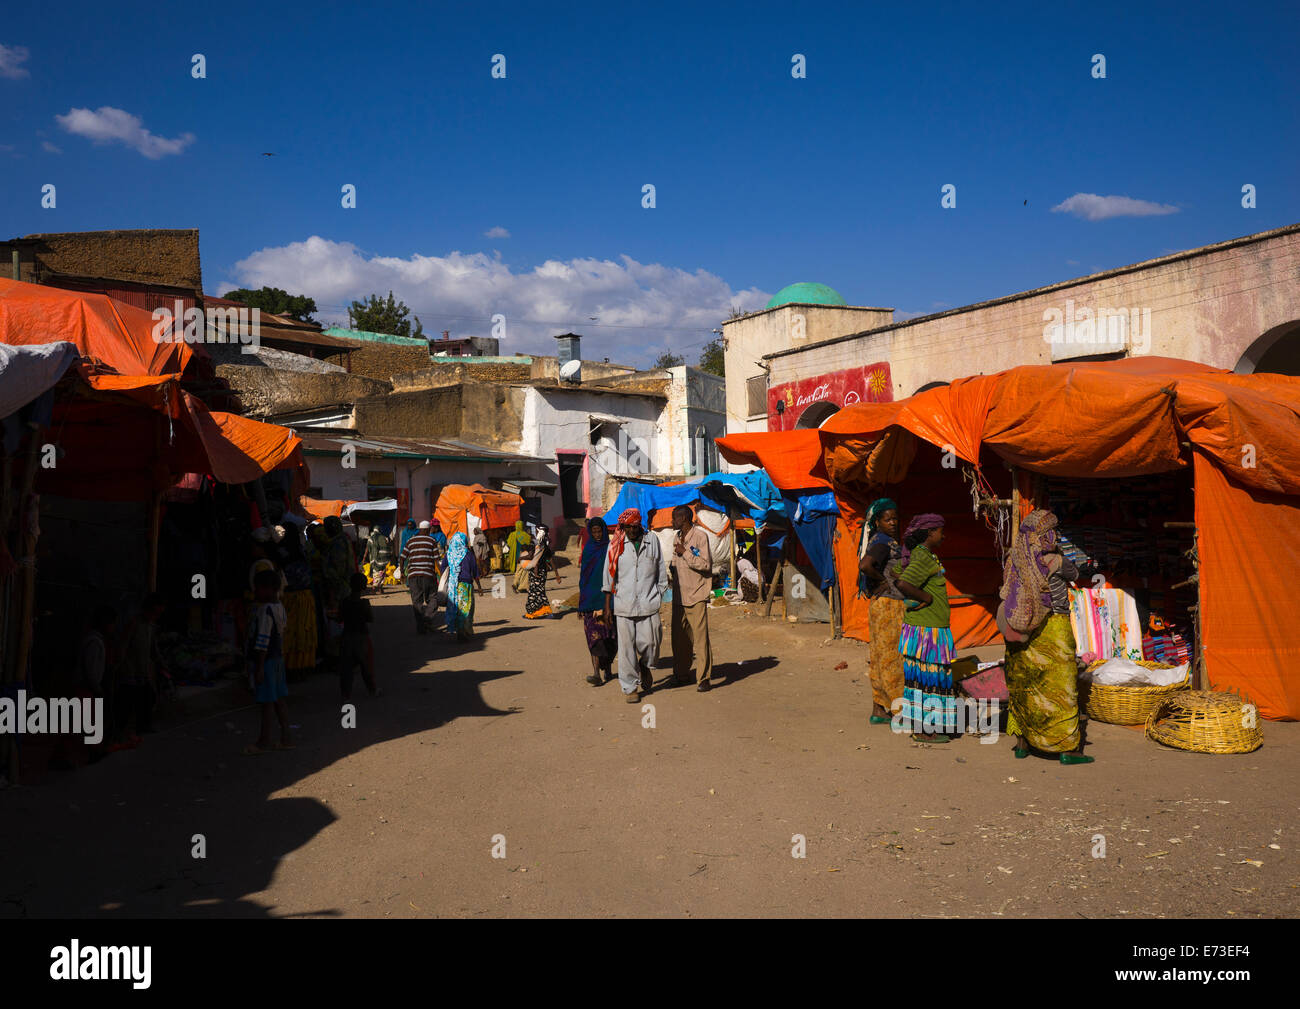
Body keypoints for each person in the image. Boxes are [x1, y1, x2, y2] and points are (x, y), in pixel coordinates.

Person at [1000, 509, 1093, 764]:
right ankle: (1067, 749)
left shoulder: (1014, 559)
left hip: (1021, 629)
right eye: (1053, 531)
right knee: (1060, 689)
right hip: (1053, 627)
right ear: (1047, 534)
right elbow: (1075, 575)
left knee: (1024, 685)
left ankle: (1022, 743)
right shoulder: (1056, 561)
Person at [896, 514, 956, 743]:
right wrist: (927, 597)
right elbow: (902, 582)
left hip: (929, 629)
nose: (943, 535)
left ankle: (929, 725)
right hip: (927, 632)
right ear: (930, 533)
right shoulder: (922, 558)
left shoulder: (926, 555)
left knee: (926, 680)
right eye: (940, 531)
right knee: (926, 682)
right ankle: (924, 730)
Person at [602, 509, 667, 702]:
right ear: (623, 527)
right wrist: (607, 607)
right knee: (626, 649)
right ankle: (630, 687)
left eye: (635, 526)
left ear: (640, 525)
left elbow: (660, 569)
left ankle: (645, 667)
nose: (631, 530)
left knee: (651, 643)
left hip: (649, 602)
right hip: (623, 603)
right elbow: (608, 577)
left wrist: (660, 592)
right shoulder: (615, 545)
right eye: (628, 527)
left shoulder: (652, 541)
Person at [858, 497, 906, 726]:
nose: (893, 522)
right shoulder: (883, 542)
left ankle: (879, 708)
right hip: (889, 606)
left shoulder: (881, 540)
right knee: (892, 659)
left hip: (881, 606)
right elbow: (865, 565)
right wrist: (883, 580)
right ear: (877, 522)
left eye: (895, 518)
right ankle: (899, 710)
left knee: (878, 658)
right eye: (888, 519)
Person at [245, 569, 293, 754]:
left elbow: (263, 640)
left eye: (257, 589)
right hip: (278, 659)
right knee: (280, 700)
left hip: (267, 662)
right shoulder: (279, 607)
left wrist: (259, 668)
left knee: (266, 703)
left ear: (267, 589)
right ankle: (286, 737)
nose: (255, 592)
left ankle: (263, 741)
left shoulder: (265, 610)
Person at [669, 505, 714, 691]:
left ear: (684, 518)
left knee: (700, 639)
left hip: (696, 594)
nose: (672, 521)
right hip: (679, 595)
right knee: (679, 640)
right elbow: (674, 560)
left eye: (675, 518)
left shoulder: (700, 537)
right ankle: (681, 674)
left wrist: (685, 553)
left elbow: (705, 564)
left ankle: (703, 677)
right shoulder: (676, 537)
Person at [114, 593, 166, 741]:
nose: (156, 616)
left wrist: (162, 664)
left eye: (159, 614)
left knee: (148, 697)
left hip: (142, 671)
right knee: (126, 703)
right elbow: (123, 646)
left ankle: (142, 726)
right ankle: (119, 732)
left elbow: (153, 649)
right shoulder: (133, 623)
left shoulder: (151, 626)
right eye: (154, 612)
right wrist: (118, 667)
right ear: (146, 609)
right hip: (129, 672)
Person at [578, 518, 616, 686]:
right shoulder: (588, 550)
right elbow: (584, 578)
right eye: (594, 532)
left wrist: (606, 604)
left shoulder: (611, 549)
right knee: (594, 638)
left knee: (609, 638)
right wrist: (582, 603)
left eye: (599, 531)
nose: (597, 535)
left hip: (608, 601)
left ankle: (607, 670)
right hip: (590, 602)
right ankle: (595, 673)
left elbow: (614, 575)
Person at [278, 527, 318, 679]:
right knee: (303, 633)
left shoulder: (283, 554)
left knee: (291, 633)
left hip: (290, 598)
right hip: (305, 597)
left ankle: (290, 667)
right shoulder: (302, 551)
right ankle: (302, 667)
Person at [338, 572, 379, 700]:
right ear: (364, 587)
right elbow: (370, 619)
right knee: (366, 666)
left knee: (346, 668)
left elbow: (340, 618)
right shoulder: (364, 603)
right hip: (362, 636)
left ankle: (346, 694)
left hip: (347, 636)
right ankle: (372, 690)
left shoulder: (344, 602)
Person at [401, 520, 439, 633]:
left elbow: (402, 557)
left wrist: (402, 571)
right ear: (427, 530)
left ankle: (421, 627)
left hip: (413, 575)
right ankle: (428, 618)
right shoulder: (432, 540)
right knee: (433, 598)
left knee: (416, 602)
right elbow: (437, 560)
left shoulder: (410, 540)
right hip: (428, 574)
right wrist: (441, 575)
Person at [445, 532, 478, 640]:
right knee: (465, 609)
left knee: (455, 607)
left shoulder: (449, 554)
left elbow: (443, 569)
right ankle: (463, 631)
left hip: (452, 586)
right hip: (465, 585)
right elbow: (475, 572)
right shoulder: (468, 554)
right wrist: (480, 586)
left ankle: (458, 630)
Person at [523, 525, 560, 619]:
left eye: (536, 531)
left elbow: (533, 558)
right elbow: (550, 560)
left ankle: (537, 613)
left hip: (537, 572)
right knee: (539, 592)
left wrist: (520, 558)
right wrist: (557, 575)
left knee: (535, 592)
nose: (535, 532)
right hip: (543, 572)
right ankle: (544, 611)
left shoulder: (536, 544)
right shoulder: (545, 545)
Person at [365, 523, 393, 590]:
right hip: (383, 560)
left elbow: (367, 549)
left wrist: (364, 557)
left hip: (374, 559)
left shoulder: (370, 539)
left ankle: (374, 588)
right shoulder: (384, 538)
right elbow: (388, 548)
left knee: (375, 573)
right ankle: (380, 588)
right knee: (382, 573)